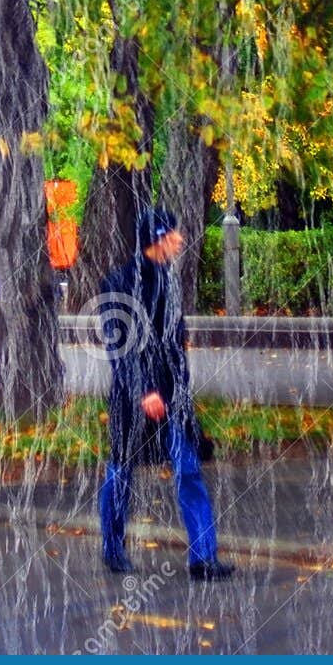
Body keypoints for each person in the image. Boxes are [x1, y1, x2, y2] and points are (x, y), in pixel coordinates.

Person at [98, 207, 234, 582]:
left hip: (173, 398)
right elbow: (119, 345)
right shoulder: (118, 282)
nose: (181, 239)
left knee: (188, 470)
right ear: (159, 237)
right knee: (121, 472)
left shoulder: (169, 281)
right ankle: (113, 547)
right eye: (175, 233)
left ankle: (203, 559)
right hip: (133, 397)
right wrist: (144, 391)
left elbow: (175, 343)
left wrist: (182, 395)